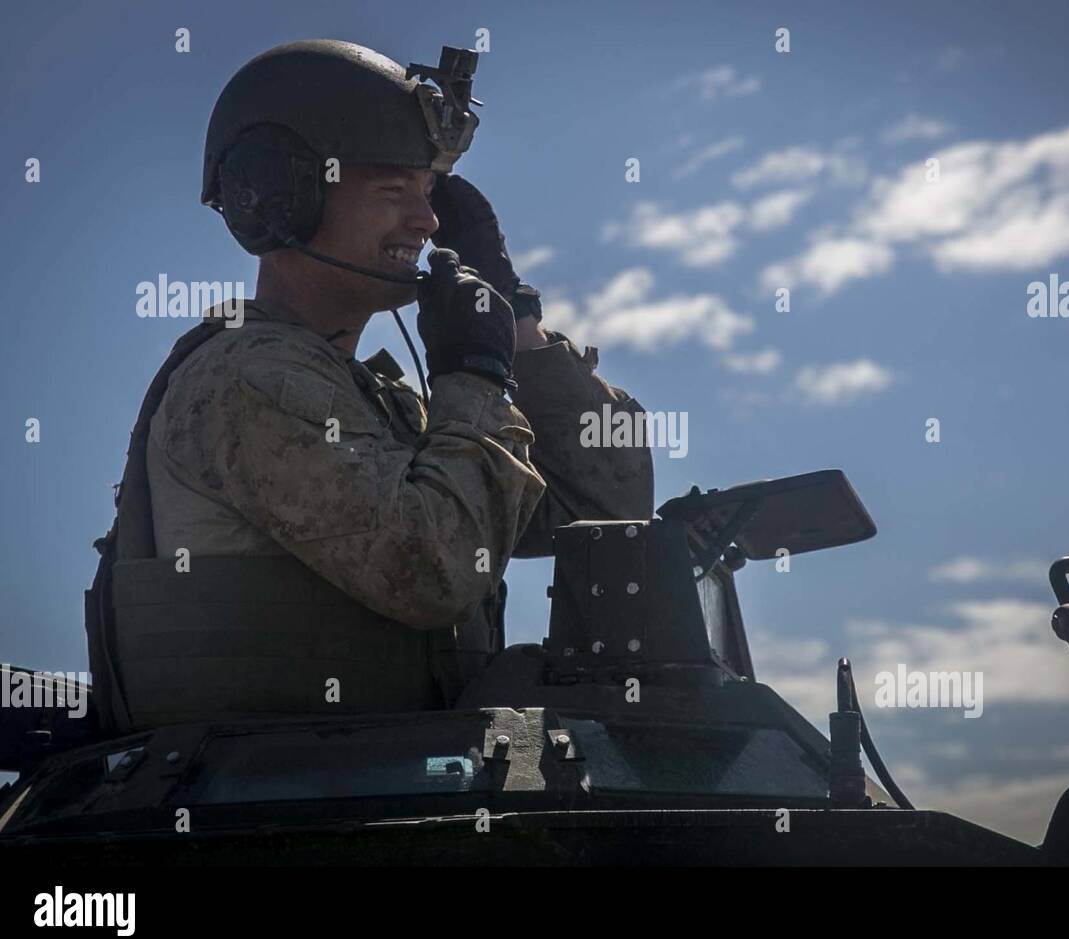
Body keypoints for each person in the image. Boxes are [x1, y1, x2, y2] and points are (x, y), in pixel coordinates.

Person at [85, 40, 653, 733]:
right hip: (283, 819)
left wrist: (516, 322)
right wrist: (472, 377)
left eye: (426, 192)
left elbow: (605, 505)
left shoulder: (377, 403)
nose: (428, 222)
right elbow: (432, 568)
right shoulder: (249, 379)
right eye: (392, 191)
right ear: (280, 198)